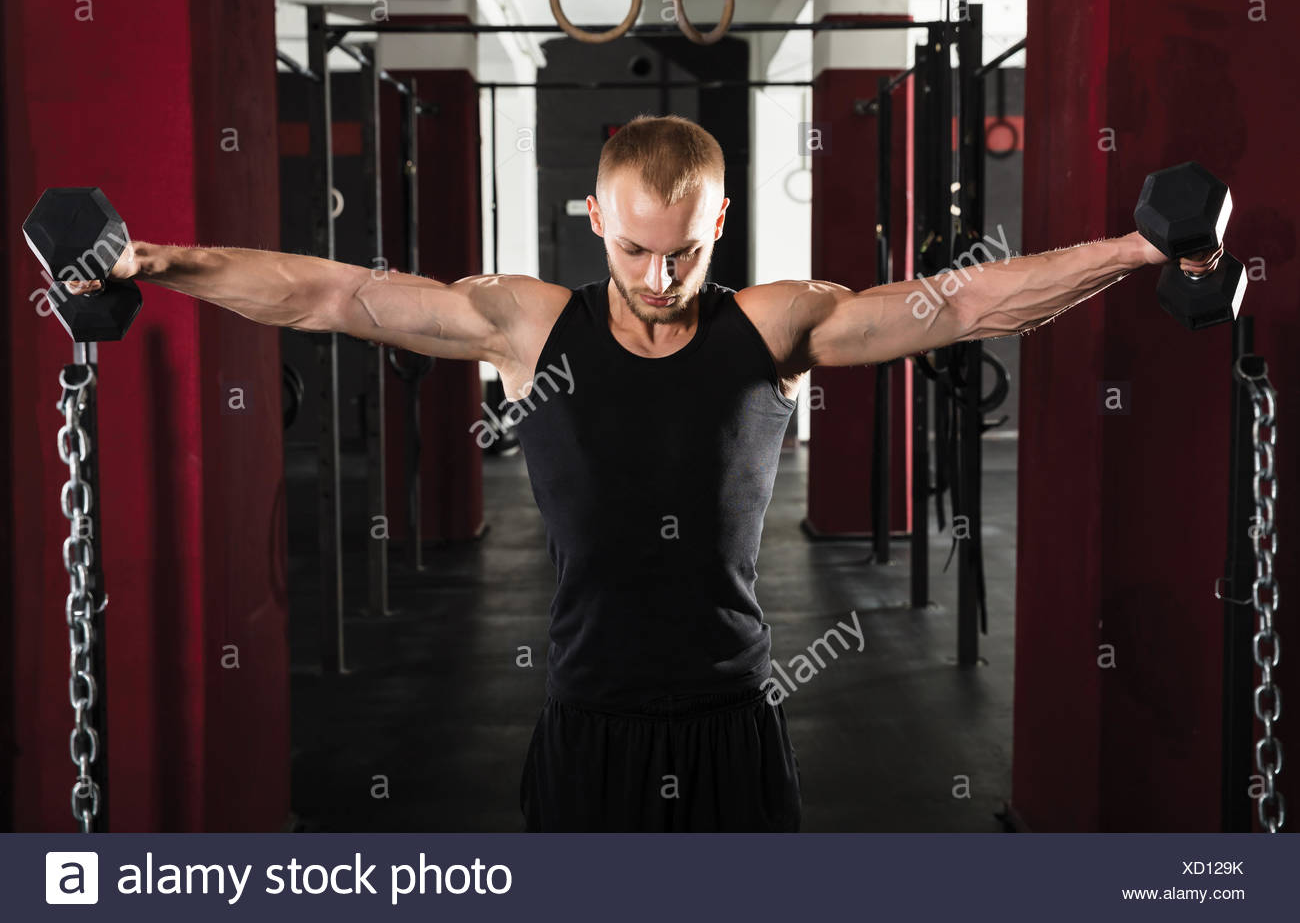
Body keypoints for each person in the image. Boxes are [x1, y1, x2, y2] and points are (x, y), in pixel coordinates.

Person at [65, 114, 1218, 832]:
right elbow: (327, 292)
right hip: (587, 722)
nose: (659, 275)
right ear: (591, 217)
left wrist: (1133, 249)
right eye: (631, 247)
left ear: (720, 217)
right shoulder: (526, 327)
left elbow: (961, 301)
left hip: (733, 722)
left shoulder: (773, 327)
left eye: (686, 247)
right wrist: (162, 260)